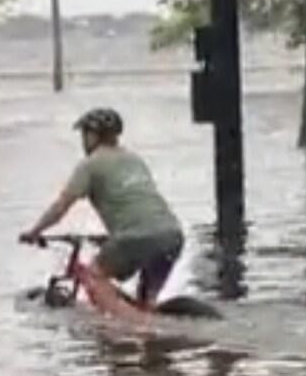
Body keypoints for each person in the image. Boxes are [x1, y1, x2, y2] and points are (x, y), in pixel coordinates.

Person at [19, 107, 184, 323]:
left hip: (135, 236)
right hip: (172, 234)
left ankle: (135, 330)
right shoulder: (134, 159)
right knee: (147, 302)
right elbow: (135, 204)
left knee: (94, 277)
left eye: (84, 134)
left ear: (93, 135)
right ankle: (150, 320)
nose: (83, 141)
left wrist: (35, 232)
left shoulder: (90, 164)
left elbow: (61, 206)